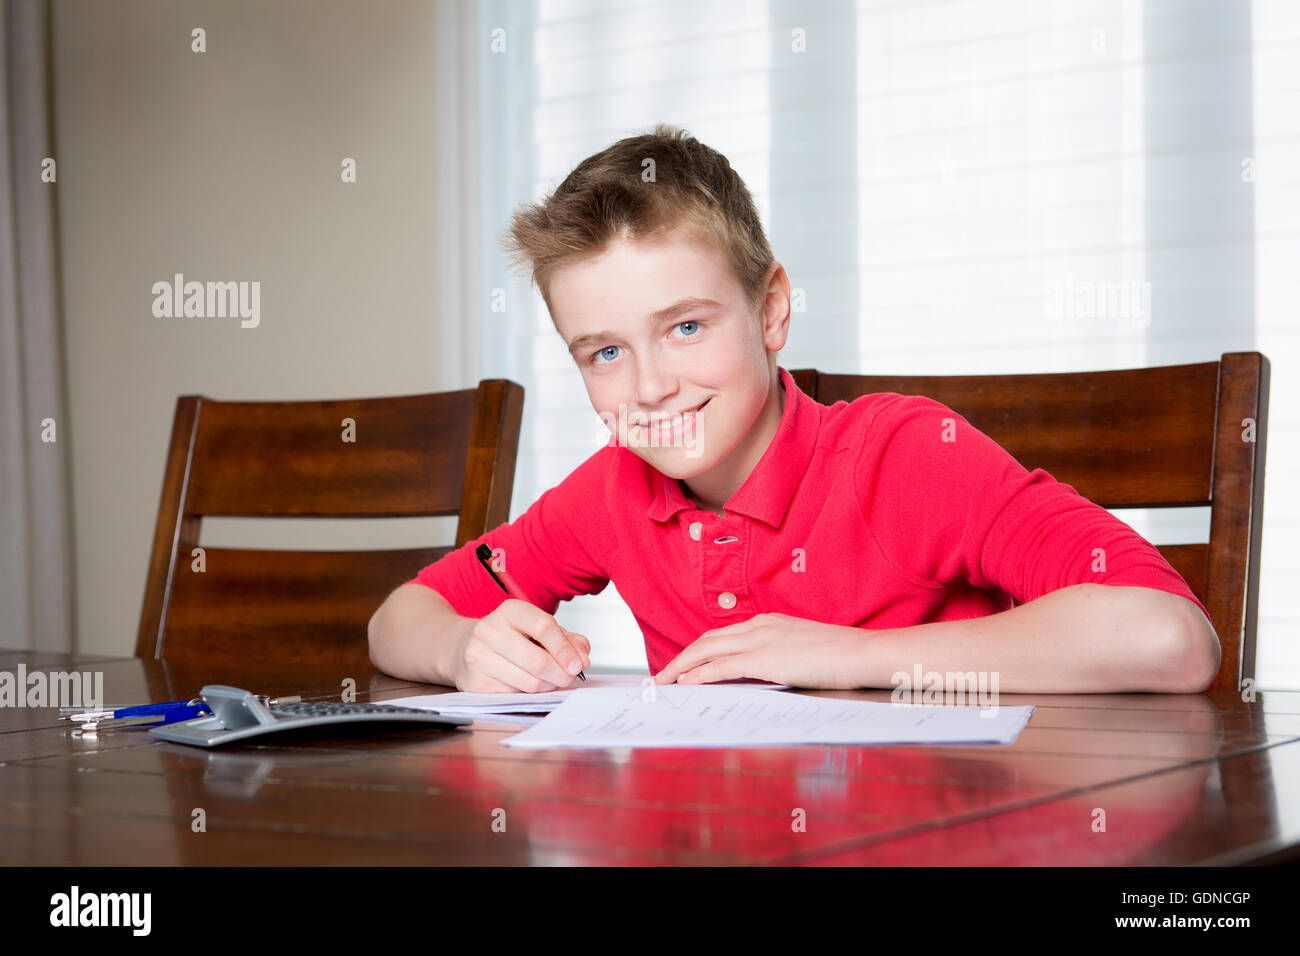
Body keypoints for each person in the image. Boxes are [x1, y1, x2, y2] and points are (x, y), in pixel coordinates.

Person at [368, 124, 1218, 695]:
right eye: (607, 352)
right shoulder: (609, 496)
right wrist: (460, 649)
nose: (651, 385)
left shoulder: (907, 454)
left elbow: (1170, 638)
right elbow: (397, 618)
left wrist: (849, 657)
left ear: (771, 310)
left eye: (688, 326)